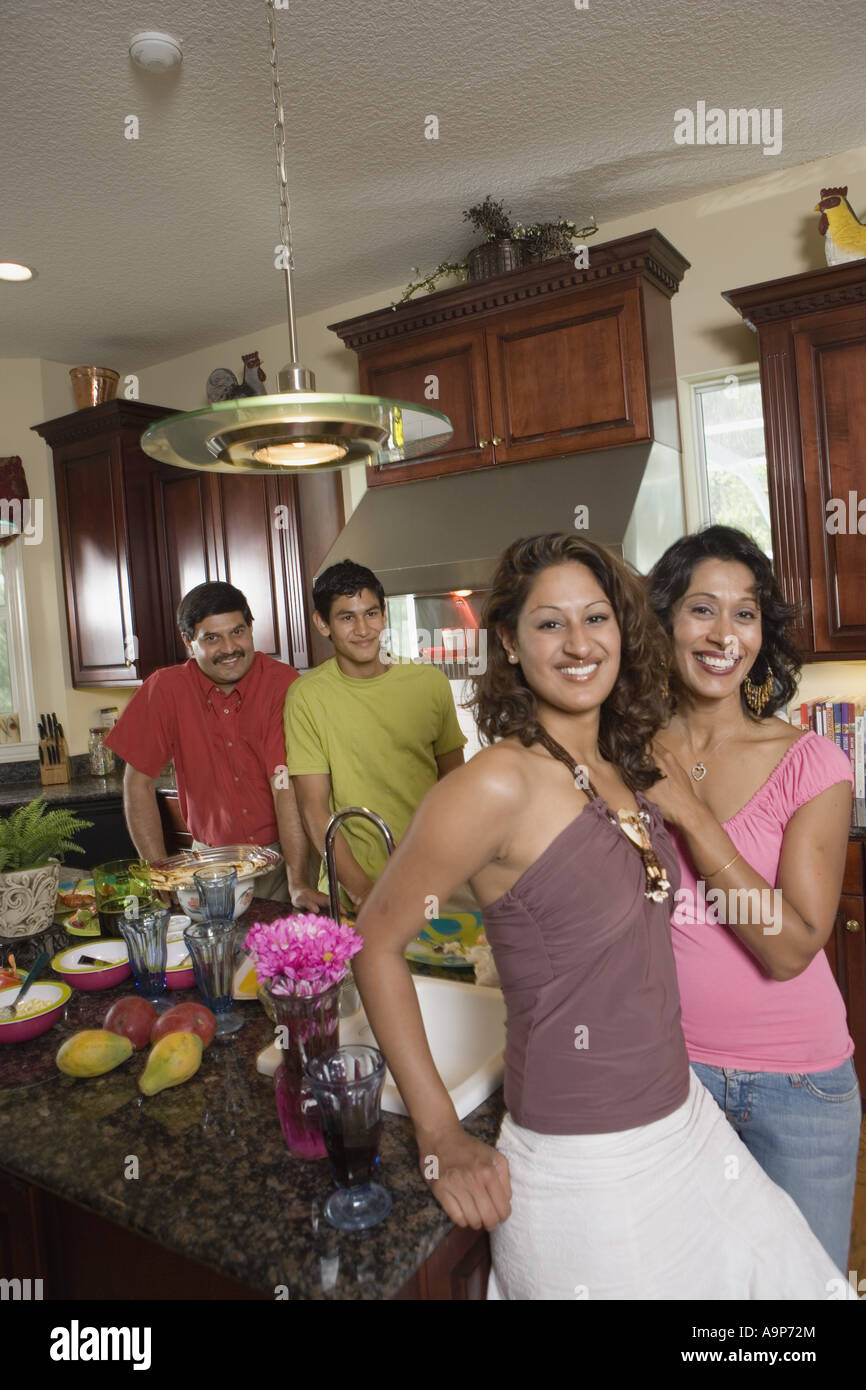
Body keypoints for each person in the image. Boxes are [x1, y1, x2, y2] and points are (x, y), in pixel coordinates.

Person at [351, 532, 855, 1300]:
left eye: (596, 618)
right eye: (550, 624)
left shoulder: (624, 766)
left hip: (684, 1122)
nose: (579, 642)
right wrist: (440, 1132)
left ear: (624, 632)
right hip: (586, 1160)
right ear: (509, 644)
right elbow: (376, 942)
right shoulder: (494, 785)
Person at [646, 525, 860, 1272]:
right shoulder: (626, 755)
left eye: (745, 613)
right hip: (672, 1079)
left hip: (797, 1090)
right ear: (665, 622)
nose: (724, 633)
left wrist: (695, 820)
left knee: (796, 1308)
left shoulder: (811, 762)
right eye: (703, 609)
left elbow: (789, 946)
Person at [105, 581, 324, 908]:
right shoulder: (164, 690)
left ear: (251, 628)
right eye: (211, 638)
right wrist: (156, 868)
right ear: (188, 642)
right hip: (209, 861)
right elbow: (137, 783)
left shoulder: (283, 683)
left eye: (237, 631)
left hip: (285, 854)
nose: (229, 647)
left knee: (280, 954)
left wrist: (297, 881)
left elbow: (284, 785)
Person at [285, 559, 467, 910]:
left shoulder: (429, 683)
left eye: (371, 613)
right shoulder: (306, 696)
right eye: (347, 617)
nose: (363, 629)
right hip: (354, 887)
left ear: (384, 615)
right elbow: (314, 809)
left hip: (434, 880)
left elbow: (456, 786)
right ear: (322, 623)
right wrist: (363, 891)